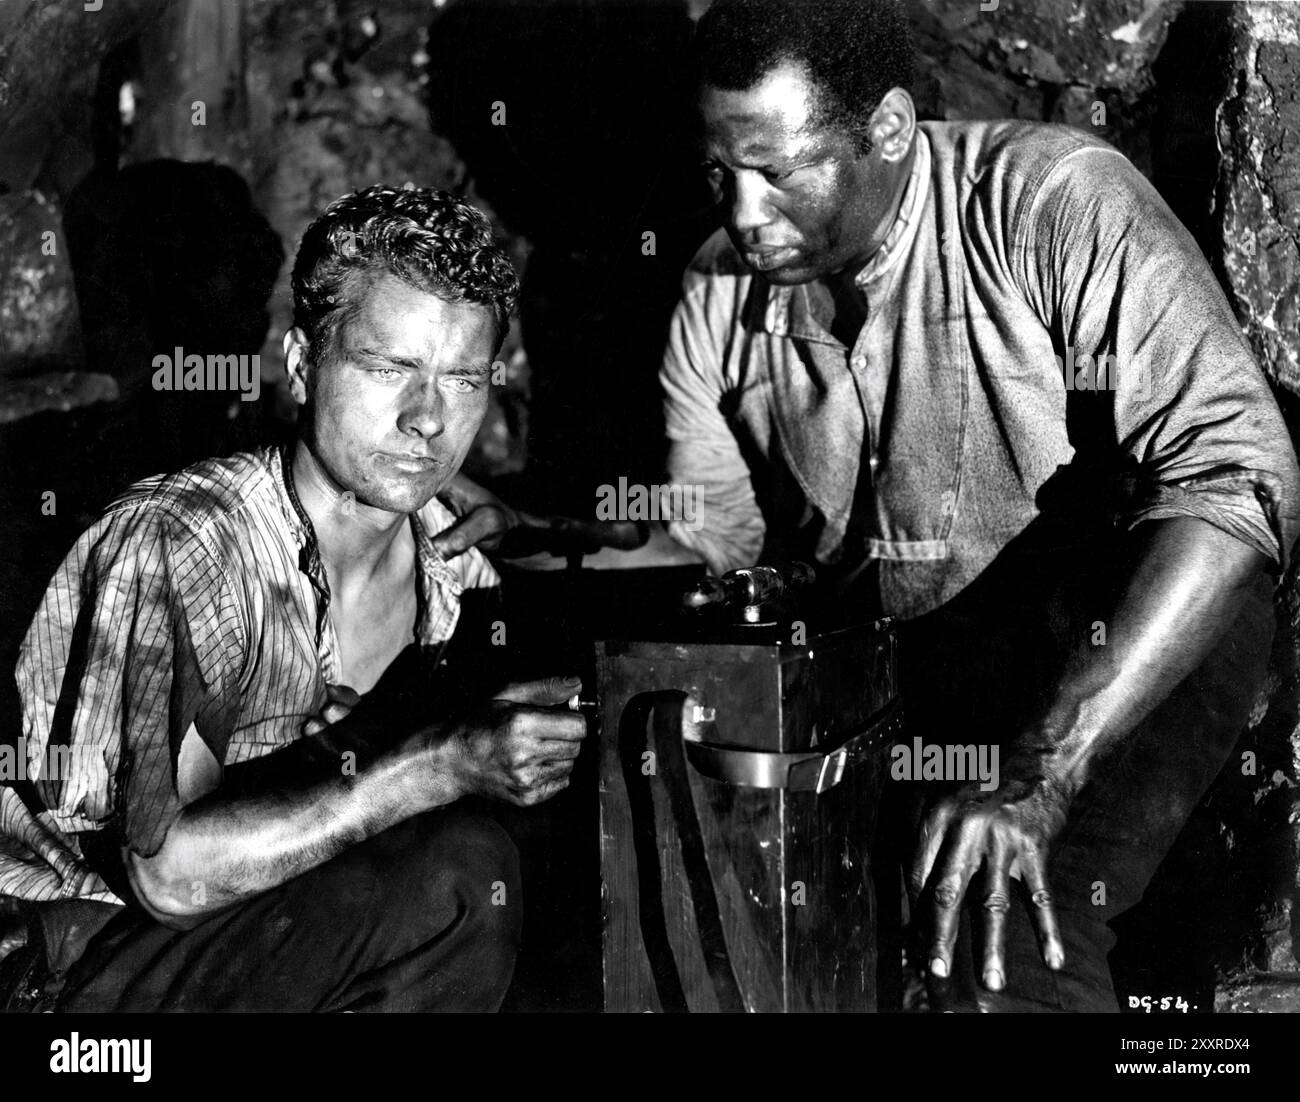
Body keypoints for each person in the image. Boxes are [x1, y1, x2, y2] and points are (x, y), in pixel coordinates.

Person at [660, 0, 1300, 1011]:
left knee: (1001, 940)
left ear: (886, 131)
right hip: (927, 664)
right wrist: (534, 543)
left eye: (777, 172)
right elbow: (719, 548)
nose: (741, 215)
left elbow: (1234, 475)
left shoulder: (1048, 200)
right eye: (718, 173)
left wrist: (1043, 765)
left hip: (1122, 623)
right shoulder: (718, 293)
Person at [0, 185, 586, 1012]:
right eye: (390, 368)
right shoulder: (186, 545)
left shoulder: (451, 561)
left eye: (462, 379)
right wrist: (437, 762)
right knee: (456, 871)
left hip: (258, 945)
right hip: (72, 974)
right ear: (303, 365)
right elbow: (166, 873)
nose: (427, 419)